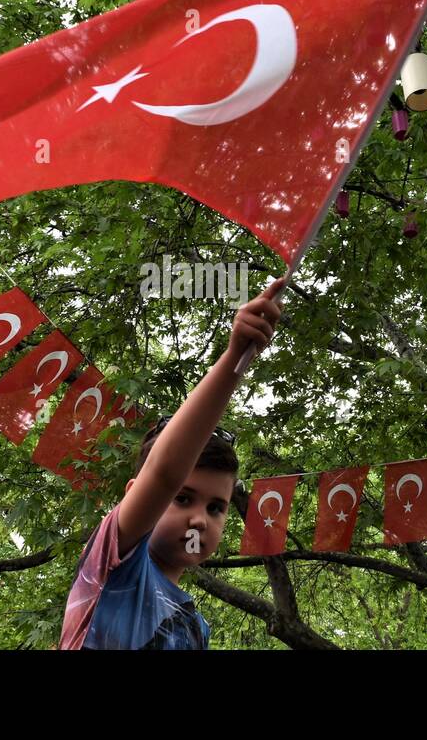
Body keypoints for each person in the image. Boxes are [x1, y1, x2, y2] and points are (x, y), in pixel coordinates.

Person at [59, 275, 287, 649]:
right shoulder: (115, 564)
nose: (200, 519)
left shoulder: (196, 627)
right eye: (183, 498)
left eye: (216, 507)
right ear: (135, 495)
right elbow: (164, 474)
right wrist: (234, 361)